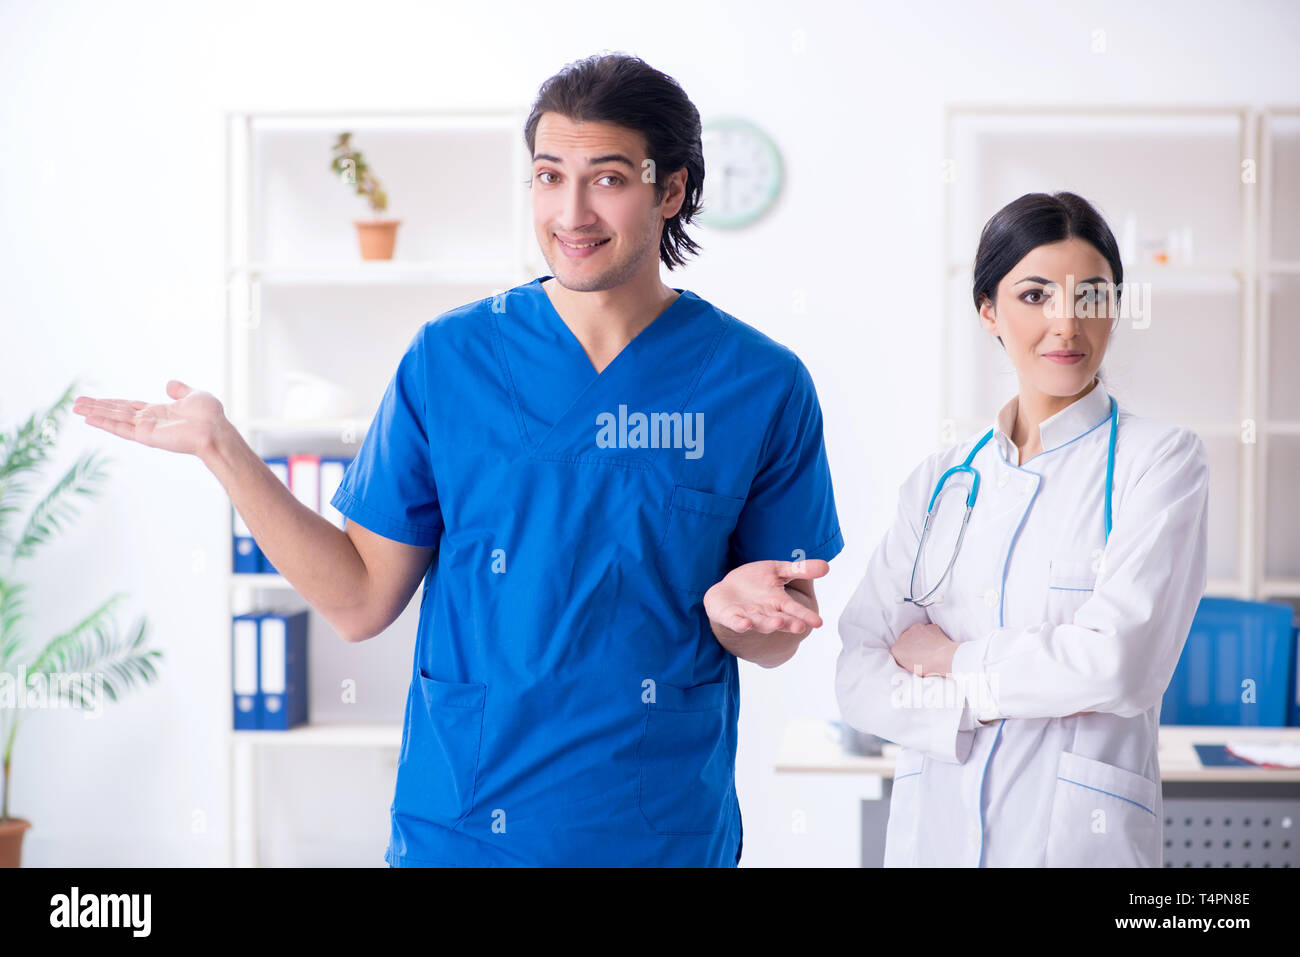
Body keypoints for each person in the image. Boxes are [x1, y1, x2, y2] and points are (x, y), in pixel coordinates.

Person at [73, 52, 843, 867]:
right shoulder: (451, 359)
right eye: (548, 176)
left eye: (609, 179)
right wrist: (223, 450)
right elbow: (359, 600)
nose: (571, 212)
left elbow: (778, 636)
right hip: (465, 826)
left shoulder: (759, 383)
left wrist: (732, 615)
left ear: (672, 189)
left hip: (659, 831)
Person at [835, 191, 1208, 867]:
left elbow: (1120, 666)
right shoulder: (941, 480)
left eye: (1091, 296)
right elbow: (859, 675)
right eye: (1035, 295)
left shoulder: (1160, 461)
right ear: (989, 311)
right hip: (935, 842)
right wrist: (985, 701)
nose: (1067, 323)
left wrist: (951, 662)